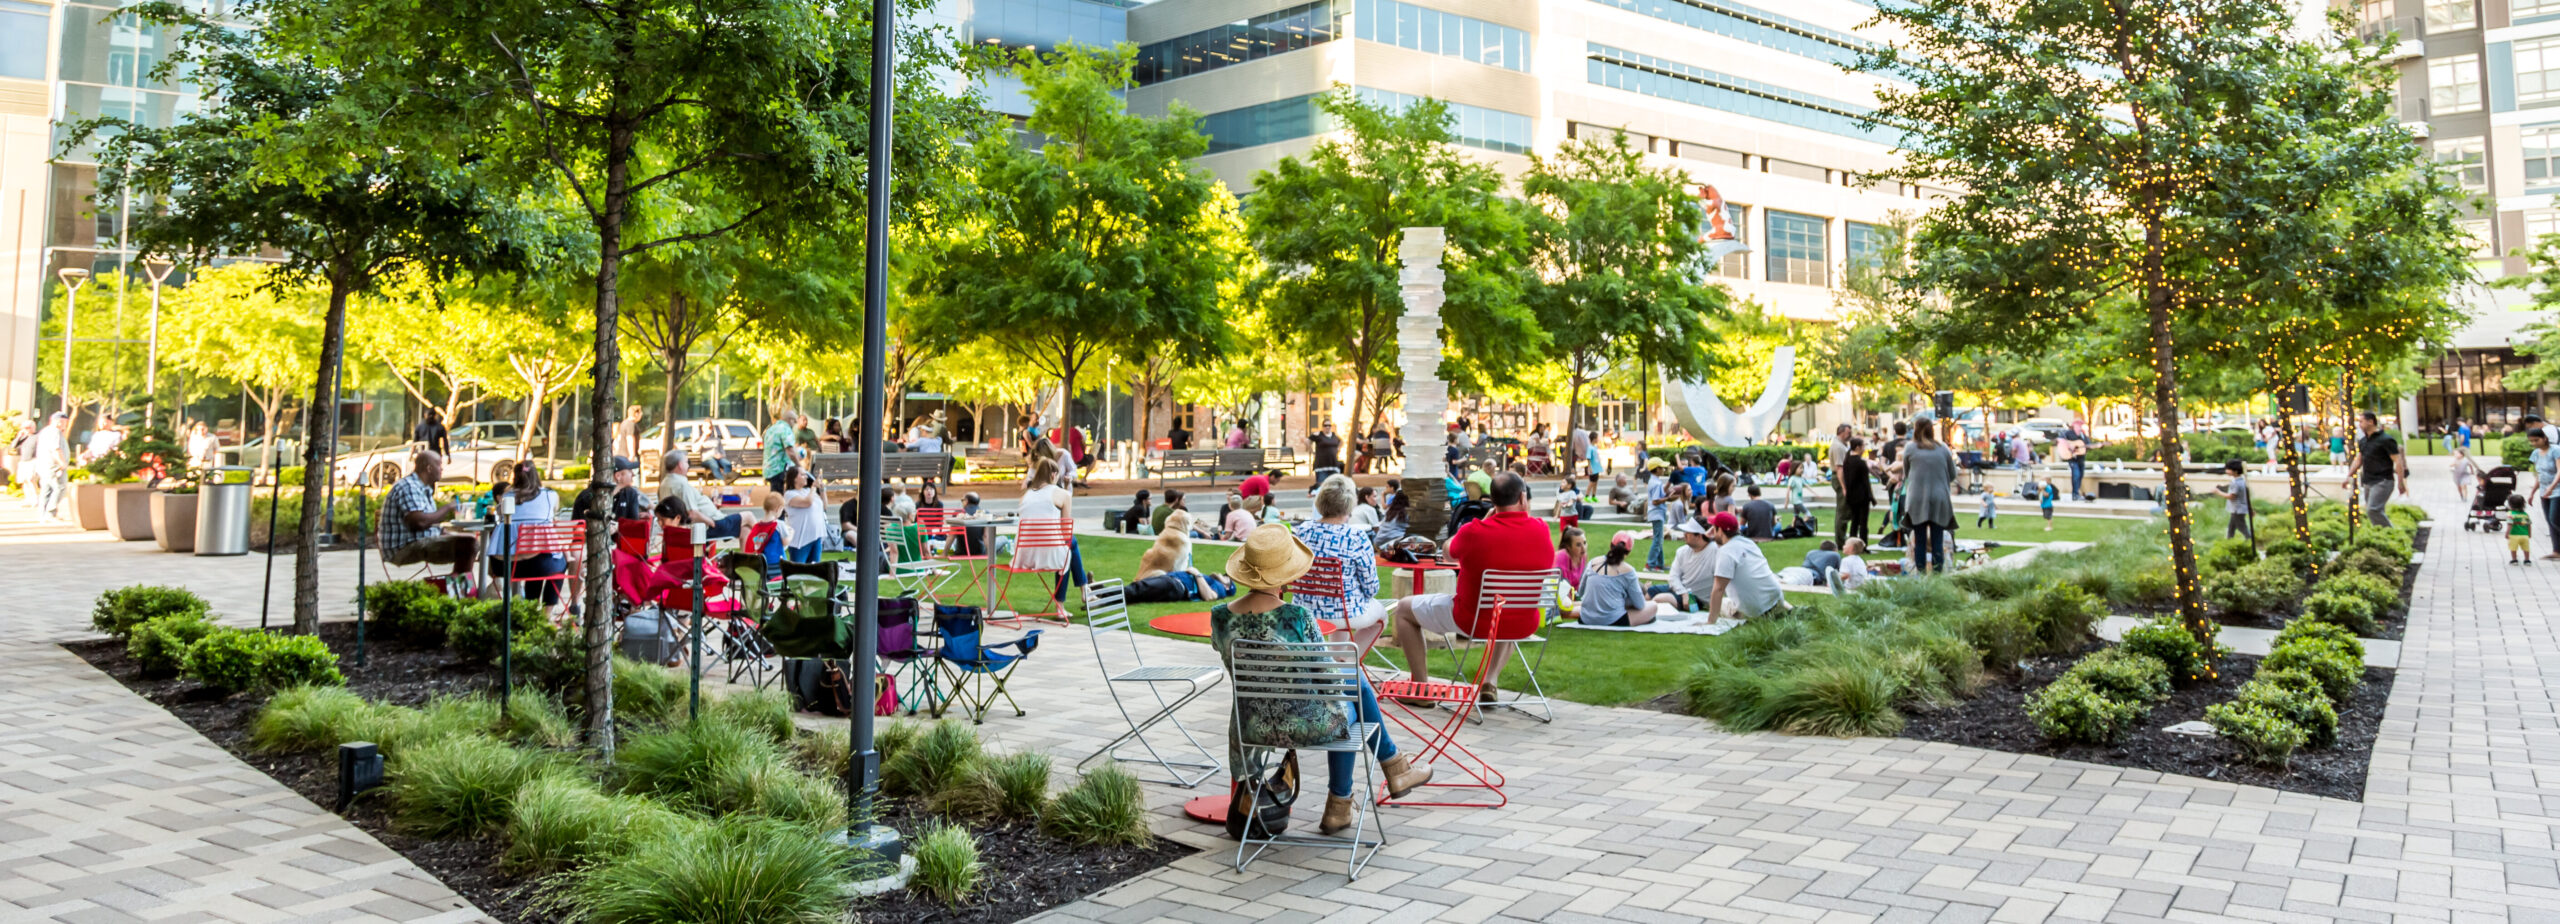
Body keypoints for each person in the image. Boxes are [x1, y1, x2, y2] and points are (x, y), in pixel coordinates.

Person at [1212, 525, 1432, 835]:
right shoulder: (1298, 618)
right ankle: (1358, 791)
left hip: (1252, 726)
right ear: (1287, 575)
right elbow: (1328, 681)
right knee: (1353, 688)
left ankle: (1384, 776)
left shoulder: (1219, 616)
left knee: (1352, 686)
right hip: (1307, 727)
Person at [1389, 472, 1548, 698]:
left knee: (1404, 609)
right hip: (1522, 620)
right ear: (1523, 498)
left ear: (1492, 501)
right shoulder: (1541, 530)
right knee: (1506, 612)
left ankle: (1420, 687)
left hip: (1472, 619)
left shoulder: (1475, 531)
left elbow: (1447, 553)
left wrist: (1483, 522)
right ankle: (1489, 680)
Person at [1296, 475, 1387, 649]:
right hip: (1344, 613)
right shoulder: (1356, 537)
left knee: (1345, 605)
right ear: (1350, 503)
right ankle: (1345, 663)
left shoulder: (1302, 531)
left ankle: (1336, 660)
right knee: (1380, 616)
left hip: (1304, 611)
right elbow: (1371, 589)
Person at [379, 450, 479, 582]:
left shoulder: (423, 488)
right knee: (468, 545)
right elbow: (419, 523)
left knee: (470, 542)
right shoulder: (409, 487)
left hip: (417, 541)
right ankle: (461, 591)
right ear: (429, 468)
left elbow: (429, 524)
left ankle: (456, 588)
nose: (442, 468)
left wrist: (450, 534)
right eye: (439, 464)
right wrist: (447, 508)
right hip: (403, 548)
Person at [487, 460, 566, 604]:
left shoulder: (507, 497)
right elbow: (553, 513)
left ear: (514, 478)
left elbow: (500, 513)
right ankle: (545, 615)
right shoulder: (550, 495)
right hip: (537, 565)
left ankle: (530, 608)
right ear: (536, 476)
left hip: (503, 566)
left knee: (536, 556)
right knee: (555, 562)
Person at [1578, 532, 1697, 627]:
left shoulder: (1593, 562)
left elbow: (1581, 592)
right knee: (1653, 606)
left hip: (1586, 617)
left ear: (1611, 545)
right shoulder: (1628, 571)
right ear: (1628, 552)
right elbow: (1640, 605)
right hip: (1611, 619)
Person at [1016, 456, 1085, 608]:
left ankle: (1084, 589)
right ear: (1053, 475)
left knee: (1066, 547)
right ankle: (1068, 599)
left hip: (1023, 555)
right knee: (1069, 546)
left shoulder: (1025, 496)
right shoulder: (1062, 494)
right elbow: (1066, 532)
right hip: (1047, 556)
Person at [1896, 419, 1959, 573]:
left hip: (1917, 498)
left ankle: (1921, 574)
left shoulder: (1910, 448)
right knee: (1938, 539)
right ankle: (1937, 573)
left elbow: (1907, 473)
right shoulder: (1943, 448)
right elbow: (1952, 474)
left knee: (1920, 539)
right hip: (1939, 497)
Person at [1701, 511, 1787, 621]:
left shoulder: (1726, 552)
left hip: (1755, 611)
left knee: (1718, 602)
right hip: (1776, 600)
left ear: (1720, 531)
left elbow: (1718, 589)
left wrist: (1710, 622)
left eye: (1714, 527)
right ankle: (1788, 610)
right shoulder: (1748, 543)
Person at [2339, 411, 2408, 529]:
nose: (2359, 425)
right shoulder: (2363, 441)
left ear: (2371, 421)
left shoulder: (2386, 440)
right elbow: (2358, 460)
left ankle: (2390, 534)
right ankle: (2382, 534)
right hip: (2368, 481)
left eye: (2361, 421)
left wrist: (2401, 482)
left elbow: (2398, 462)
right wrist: (2348, 476)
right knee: (2374, 510)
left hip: (2383, 480)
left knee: (2373, 509)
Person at [656, 450, 744, 539]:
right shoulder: (682, 486)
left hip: (682, 530)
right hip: (702, 529)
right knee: (748, 516)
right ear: (680, 465)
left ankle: (748, 552)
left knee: (745, 530)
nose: (688, 466)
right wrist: (710, 521)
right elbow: (692, 513)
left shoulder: (664, 484)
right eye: (686, 462)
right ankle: (756, 550)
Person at [1650, 520, 1717, 611]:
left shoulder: (1715, 551)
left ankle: (1647, 612)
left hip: (1696, 598)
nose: (1684, 534)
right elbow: (1673, 576)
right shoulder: (1682, 551)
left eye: (1688, 533)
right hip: (1681, 591)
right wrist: (1683, 593)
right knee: (1651, 591)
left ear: (1698, 536)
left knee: (1660, 599)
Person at [571, 456, 649, 522]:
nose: (633, 474)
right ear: (618, 476)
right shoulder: (586, 498)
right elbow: (578, 529)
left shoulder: (630, 494)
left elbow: (634, 525)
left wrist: (617, 527)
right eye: (630, 471)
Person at [778, 466, 824, 563]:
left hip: (816, 536)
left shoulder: (808, 491)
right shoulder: (789, 494)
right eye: (802, 474)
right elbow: (807, 503)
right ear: (794, 478)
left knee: (815, 571)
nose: (806, 477)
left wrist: (822, 490)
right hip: (800, 540)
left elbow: (824, 505)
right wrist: (814, 487)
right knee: (797, 572)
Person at [1837, 439, 1874, 548]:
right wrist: (1870, 496)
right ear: (1858, 447)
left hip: (1852, 495)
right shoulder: (1860, 462)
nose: (1864, 449)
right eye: (1863, 446)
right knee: (1863, 522)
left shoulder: (1847, 461)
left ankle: (1852, 544)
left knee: (1854, 521)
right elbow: (1865, 482)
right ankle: (1863, 545)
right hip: (1862, 496)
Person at [31, 412, 68, 521]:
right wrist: (62, 463)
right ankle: (50, 512)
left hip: (44, 465)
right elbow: (55, 448)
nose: (65, 424)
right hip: (53, 466)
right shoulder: (55, 432)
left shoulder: (45, 431)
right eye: (64, 422)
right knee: (59, 488)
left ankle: (43, 513)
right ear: (58, 421)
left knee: (47, 490)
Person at [2529, 428, 2558, 560]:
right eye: (2531, 441)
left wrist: (2552, 487)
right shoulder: (2535, 453)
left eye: (2536, 440)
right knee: (2549, 522)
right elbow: (2539, 475)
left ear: (2544, 438)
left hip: (2557, 490)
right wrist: (2532, 492)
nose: (2534, 443)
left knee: (2555, 519)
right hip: (2544, 491)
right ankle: (2556, 551)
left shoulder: (2555, 450)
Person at [2212, 459, 2252, 540]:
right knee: (2231, 527)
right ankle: (2229, 540)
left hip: (2237, 509)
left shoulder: (2236, 483)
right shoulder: (2241, 481)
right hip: (2237, 509)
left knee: (2242, 527)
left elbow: (2232, 496)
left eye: (2228, 469)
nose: (2226, 471)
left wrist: (2218, 492)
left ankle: (2249, 539)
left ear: (2235, 471)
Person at [1644, 462, 1673, 571]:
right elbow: (1655, 501)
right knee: (1658, 540)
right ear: (1656, 469)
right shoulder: (1656, 483)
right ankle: (1650, 564)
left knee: (1659, 539)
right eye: (1661, 467)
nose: (1663, 469)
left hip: (1656, 513)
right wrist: (1668, 498)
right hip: (1656, 513)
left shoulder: (1654, 481)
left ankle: (1660, 564)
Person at [763, 408, 800, 489]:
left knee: (775, 495)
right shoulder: (786, 429)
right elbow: (790, 451)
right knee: (780, 497)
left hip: (769, 469)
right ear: (790, 420)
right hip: (780, 469)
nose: (794, 424)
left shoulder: (771, 429)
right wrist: (799, 466)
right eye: (794, 421)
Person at [2055, 422, 2089, 501]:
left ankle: (2077, 492)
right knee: (2076, 475)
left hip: (2081, 458)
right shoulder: (2068, 434)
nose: (2080, 428)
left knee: (2080, 475)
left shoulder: (2083, 435)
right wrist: (2070, 448)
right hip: (2072, 458)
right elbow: (2060, 440)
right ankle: (2075, 494)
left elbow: (2087, 445)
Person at [1553, 525, 1589, 593]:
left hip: (1574, 596)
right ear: (1568, 547)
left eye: (1584, 543)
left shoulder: (1583, 556)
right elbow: (1557, 586)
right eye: (1578, 545)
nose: (1583, 548)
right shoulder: (1561, 557)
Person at [2508, 495, 2535, 566]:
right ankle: (2527, 560)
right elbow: (2529, 525)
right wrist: (2529, 534)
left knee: (2513, 548)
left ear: (2510, 505)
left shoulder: (2511, 514)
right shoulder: (2525, 515)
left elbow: (2510, 524)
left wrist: (2507, 533)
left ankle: (2514, 560)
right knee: (2526, 548)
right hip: (2524, 535)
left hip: (2514, 534)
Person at [1827, 423, 1854, 488]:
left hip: (1843, 477)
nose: (1851, 435)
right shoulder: (1838, 446)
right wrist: (1843, 487)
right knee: (1843, 497)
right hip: (1840, 478)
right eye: (1848, 433)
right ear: (1841, 433)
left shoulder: (1842, 445)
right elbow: (1839, 468)